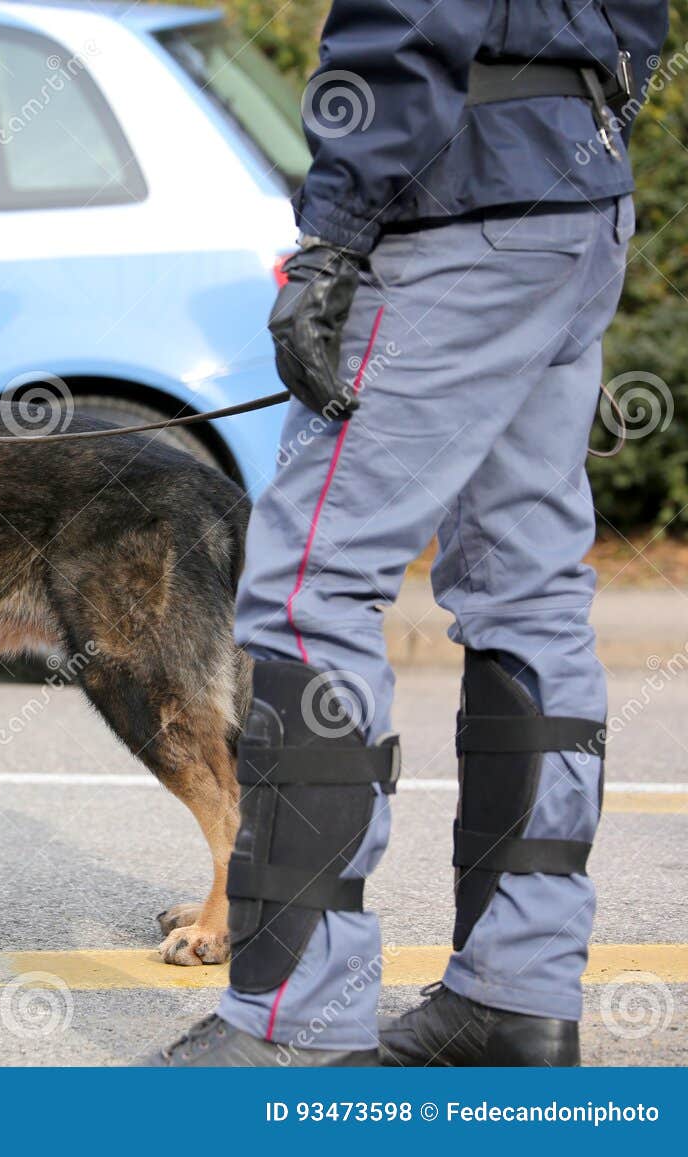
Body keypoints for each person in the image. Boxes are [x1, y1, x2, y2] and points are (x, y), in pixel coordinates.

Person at [146, 0, 669, 1067]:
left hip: (455, 202)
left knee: (308, 586)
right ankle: (514, 996)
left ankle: (292, 1016)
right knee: (530, 591)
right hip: (569, 194)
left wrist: (335, 234)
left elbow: (408, 19)